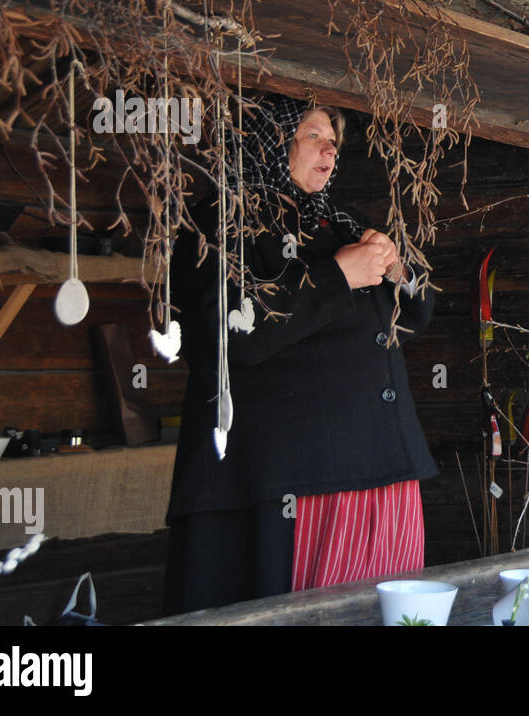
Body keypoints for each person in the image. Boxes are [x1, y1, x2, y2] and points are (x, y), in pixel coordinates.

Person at [162, 94, 438, 615]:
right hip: (301, 479)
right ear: (272, 140)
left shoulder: (343, 221)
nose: (329, 151)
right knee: (313, 611)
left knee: (390, 611)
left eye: (333, 142)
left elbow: (419, 315)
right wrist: (339, 275)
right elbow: (228, 337)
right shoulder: (224, 222)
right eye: (313, 136)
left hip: (382, 464)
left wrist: (399, 269)